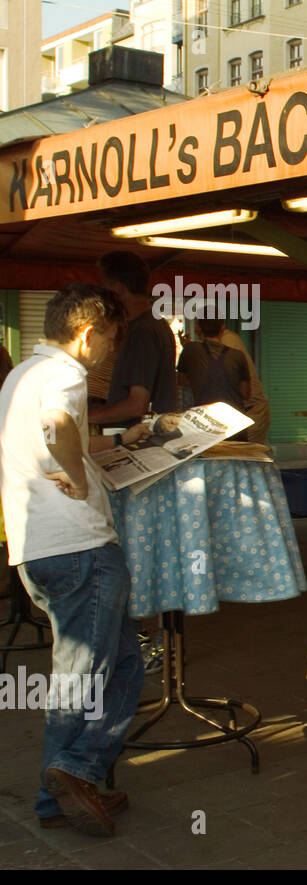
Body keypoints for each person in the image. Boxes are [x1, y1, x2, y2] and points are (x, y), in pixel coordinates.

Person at [0, 284, 150, 836]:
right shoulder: (68, 373)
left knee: (121, 666)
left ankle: (58, 794)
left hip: (37, 550)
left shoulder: (22, 374)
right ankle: (74, 768)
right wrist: (82, 479)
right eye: (110, 338)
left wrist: (116, 443)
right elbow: (59, 428)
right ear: (88, 334)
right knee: (84, 675)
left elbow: (62, 436)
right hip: (78, 546)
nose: (111, 350)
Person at [89, 251, 178, 427]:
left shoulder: (142, 332)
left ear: (119, 289)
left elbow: (136, 405)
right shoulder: (156, 324)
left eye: (104, 286)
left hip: (138, 443)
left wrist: (85, 418)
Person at [177, 315, 252, 440]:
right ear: (222, 328)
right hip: (235, 426)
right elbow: (246, 393)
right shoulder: (238, 356)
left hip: (204, 425)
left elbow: (181, 381)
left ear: (198, 328)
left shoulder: (190, 349)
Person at [219, 325, 271, 444]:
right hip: (246, 413)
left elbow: (237, 383)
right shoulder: (227, 340)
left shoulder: (228, 340)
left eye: (198, 325)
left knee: (247, 457)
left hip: (251, 413)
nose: (196, 329)